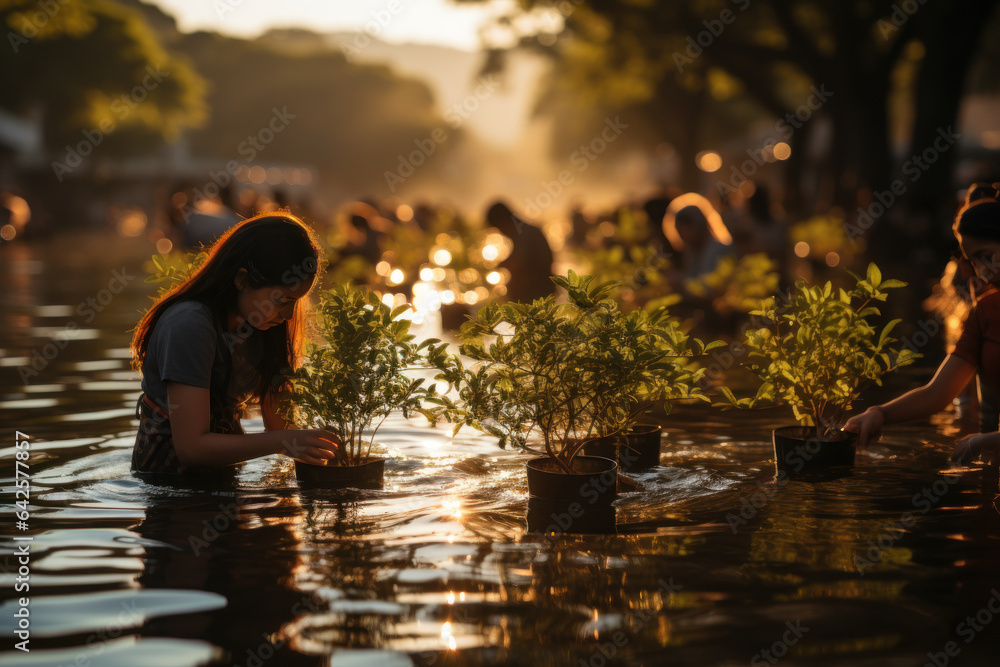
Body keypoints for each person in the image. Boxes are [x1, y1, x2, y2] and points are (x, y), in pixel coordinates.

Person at [129, 213, 340, 475]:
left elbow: (280, 428)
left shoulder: (263, 325)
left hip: (226, 479)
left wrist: (326, 447)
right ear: (242, 279)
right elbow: (191, 447)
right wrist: (285, 441)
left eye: (295, 302)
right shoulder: (189, 325)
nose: (287, 315)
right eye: (282, 301)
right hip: (168, 484)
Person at [844, 196, 1000, 464]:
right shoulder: (986, 311)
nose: (982, 272)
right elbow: (937, 393)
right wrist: (879, 413)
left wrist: (985, 440)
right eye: (974, 261)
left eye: (986, 257)